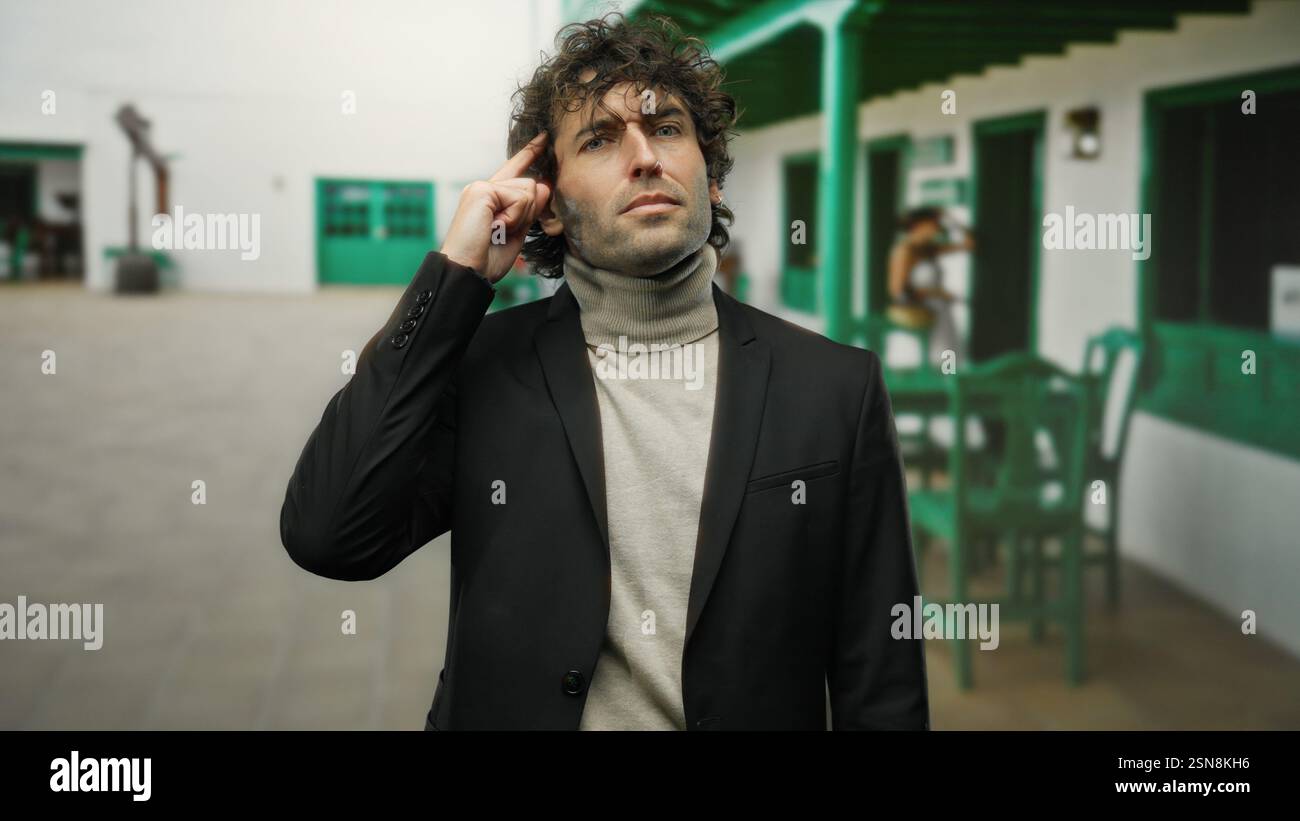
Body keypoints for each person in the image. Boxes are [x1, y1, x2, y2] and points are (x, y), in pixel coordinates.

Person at [279, 12, 928, 731]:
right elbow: (329, 535)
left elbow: (884, 678)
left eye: (668, 129)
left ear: (710, 179)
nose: (644, 156)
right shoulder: (487, 368)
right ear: (549, 207)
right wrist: (455, 280)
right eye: (600, 138)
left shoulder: (836, 387)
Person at [887, 206, 974, 368]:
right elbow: (897, 290)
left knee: (949, 362)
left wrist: (950, 219)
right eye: (933, 224)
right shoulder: (904, 250)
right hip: (920, 314)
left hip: (941, 313)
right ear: (919, 225)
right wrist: (938, 293)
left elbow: (969, 244)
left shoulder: (929, 249)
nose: (936, 228)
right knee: (926, 361)